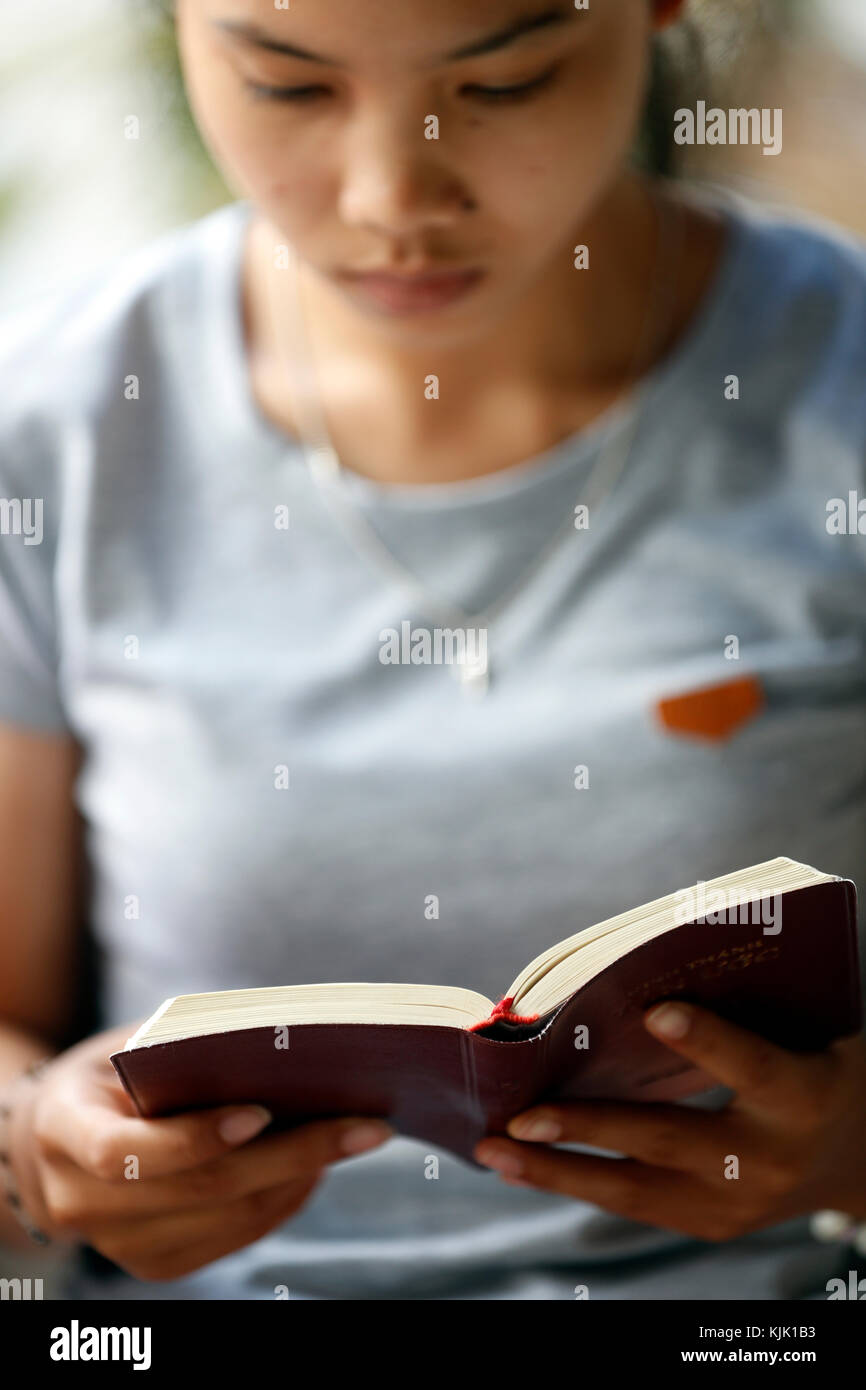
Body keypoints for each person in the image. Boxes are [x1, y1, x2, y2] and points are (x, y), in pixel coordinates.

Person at [0, 0, 865, 1302]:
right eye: (285, 86)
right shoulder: (60, 424)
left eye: (506, 83)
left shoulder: (831, 390)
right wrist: (33, 1145)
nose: (389, 196)